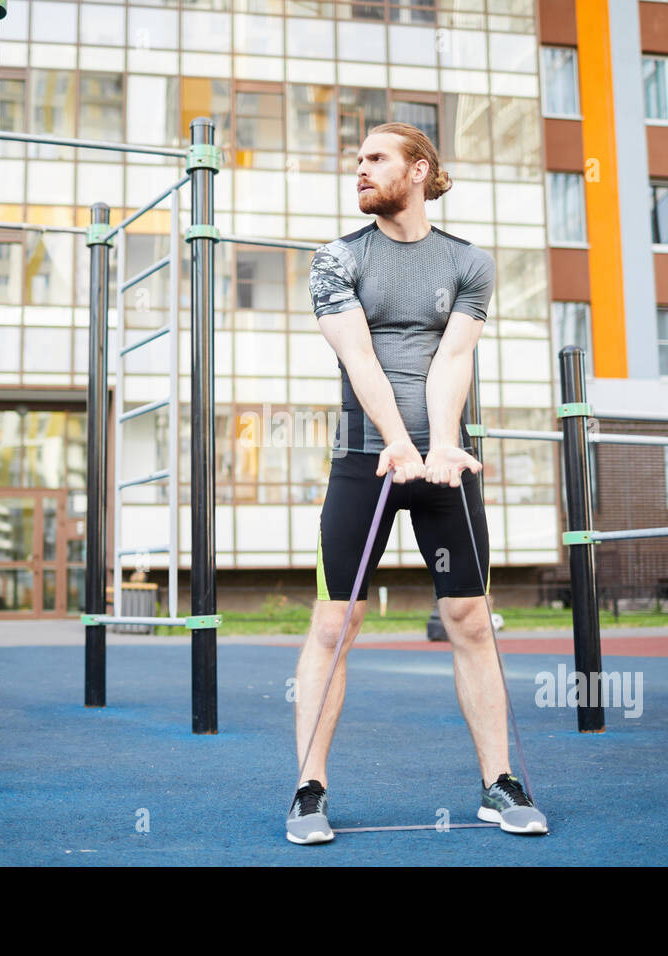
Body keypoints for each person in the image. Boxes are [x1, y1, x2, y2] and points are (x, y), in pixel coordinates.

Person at [286, 122, 548, 845]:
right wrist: (398, 443)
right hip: (362, 459)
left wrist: (437, 445)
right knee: (336, 623)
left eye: (375, 159)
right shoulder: (337, 258)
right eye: (358, 160)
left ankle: (500, 783)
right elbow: (360, 357)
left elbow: (452, 358)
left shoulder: (470, 262)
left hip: (444, 463)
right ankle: (310, 791)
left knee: (469, 618)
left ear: (418, 169)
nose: (360, 170)